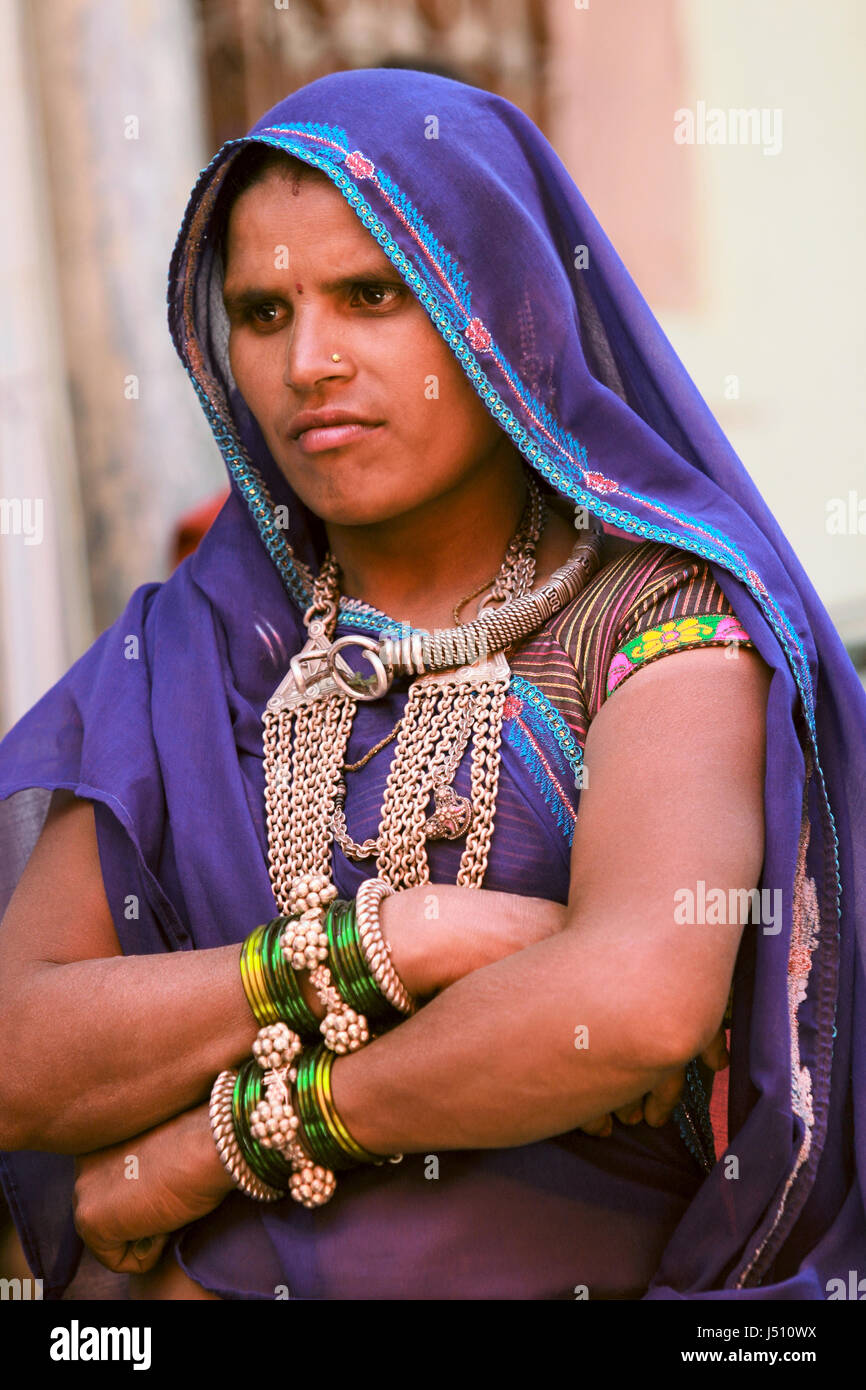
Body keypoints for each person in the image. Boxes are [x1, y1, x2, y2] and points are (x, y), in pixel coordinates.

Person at [0, 67, 863, 1302]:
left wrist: (222, 1140)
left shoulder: (657, 618)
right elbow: (21, 1049)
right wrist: (390, 941)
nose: (308, 361)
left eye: (370, 294)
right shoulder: (199, 640)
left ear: (500, 308)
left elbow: (628, 1003)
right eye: (260, 311)